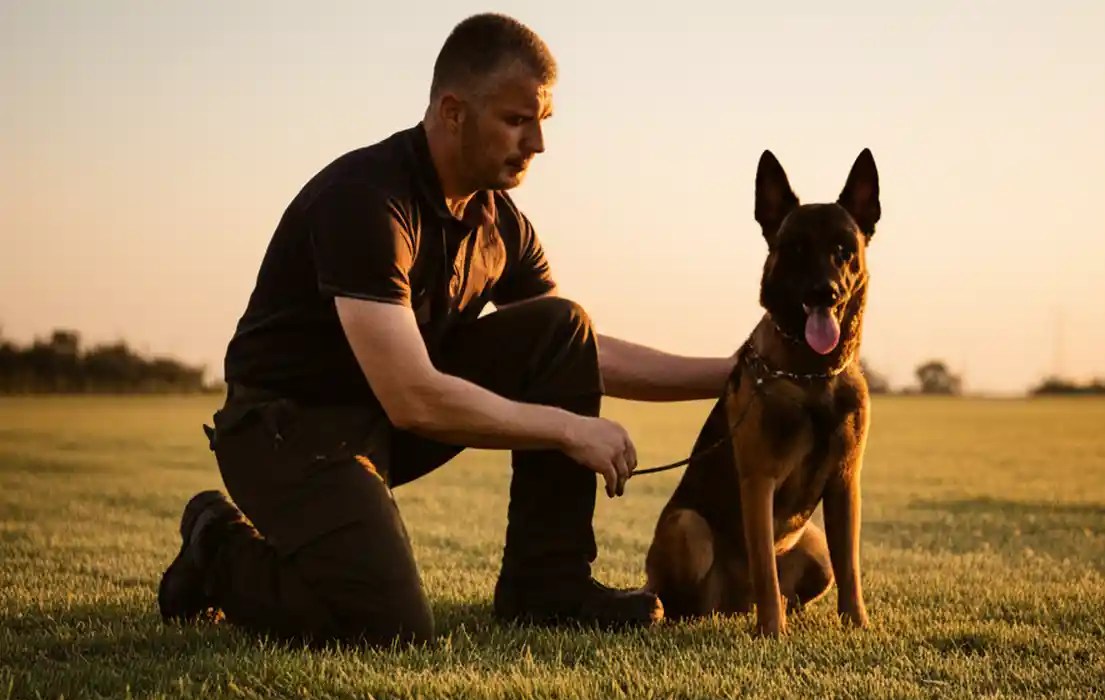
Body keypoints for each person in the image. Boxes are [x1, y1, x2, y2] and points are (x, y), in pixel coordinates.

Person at [155, 12, 733, 646]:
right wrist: (570, 429)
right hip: (287, 430)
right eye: (517, 120)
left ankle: (547, 584)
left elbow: (580, 356)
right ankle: (217, 544)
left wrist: (735, 373)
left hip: (379, 425)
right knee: (384, 626)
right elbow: (413, 398)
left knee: (562, 327)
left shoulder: (501, 223)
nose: (537, 144)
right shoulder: (368, 199)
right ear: (453, 112)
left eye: (543, 122)